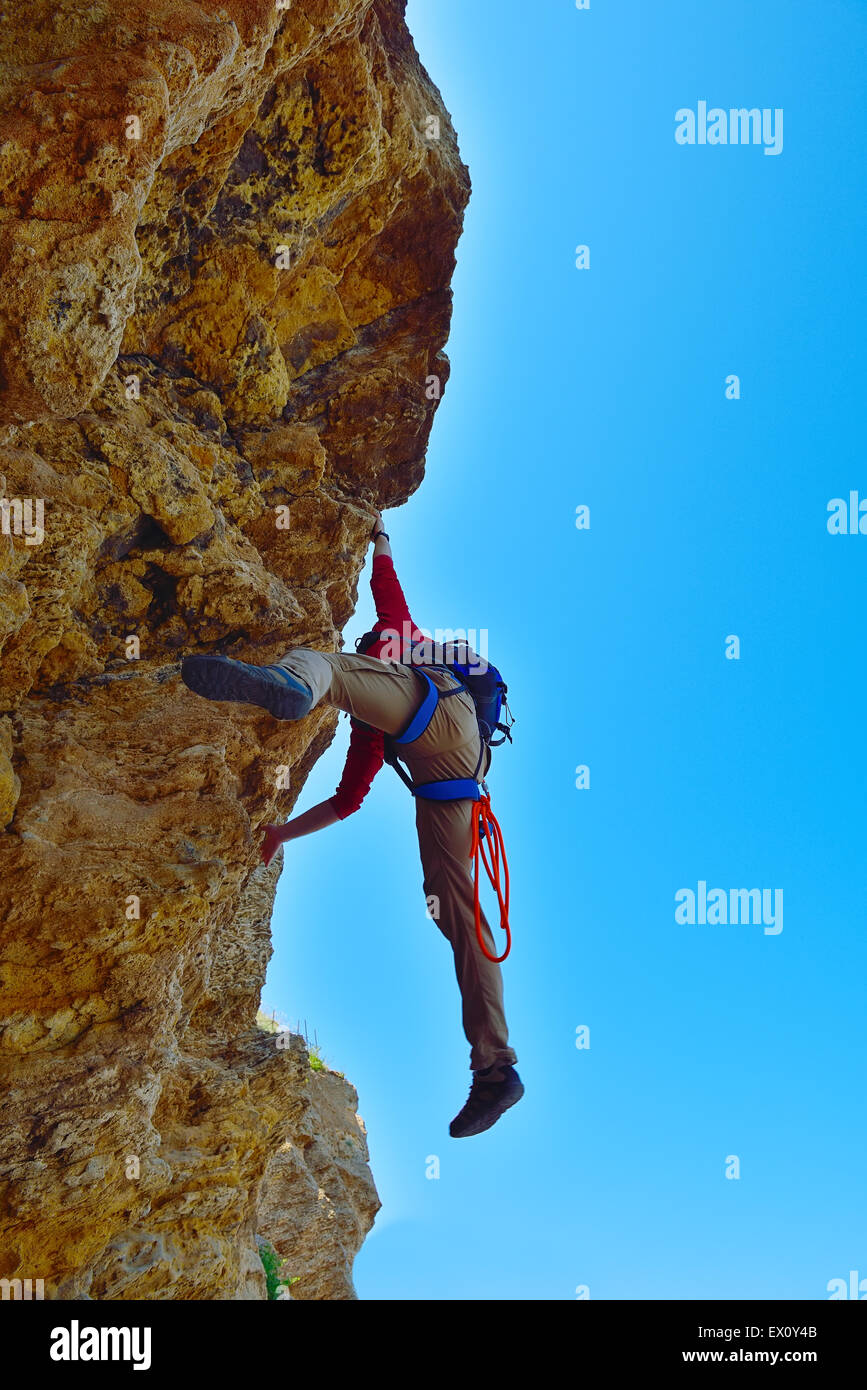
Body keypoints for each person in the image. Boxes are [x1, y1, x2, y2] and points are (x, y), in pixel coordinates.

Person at [180, 512, 523, 1138]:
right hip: (454, 781)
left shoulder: (394, 642)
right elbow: (346, 801)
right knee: (459, 916)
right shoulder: (374, 725)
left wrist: (380, 534)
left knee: (324, 666)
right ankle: (496, 1068)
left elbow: (386, 591)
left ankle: (290, 682)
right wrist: (280, 834)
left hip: (434, 711)